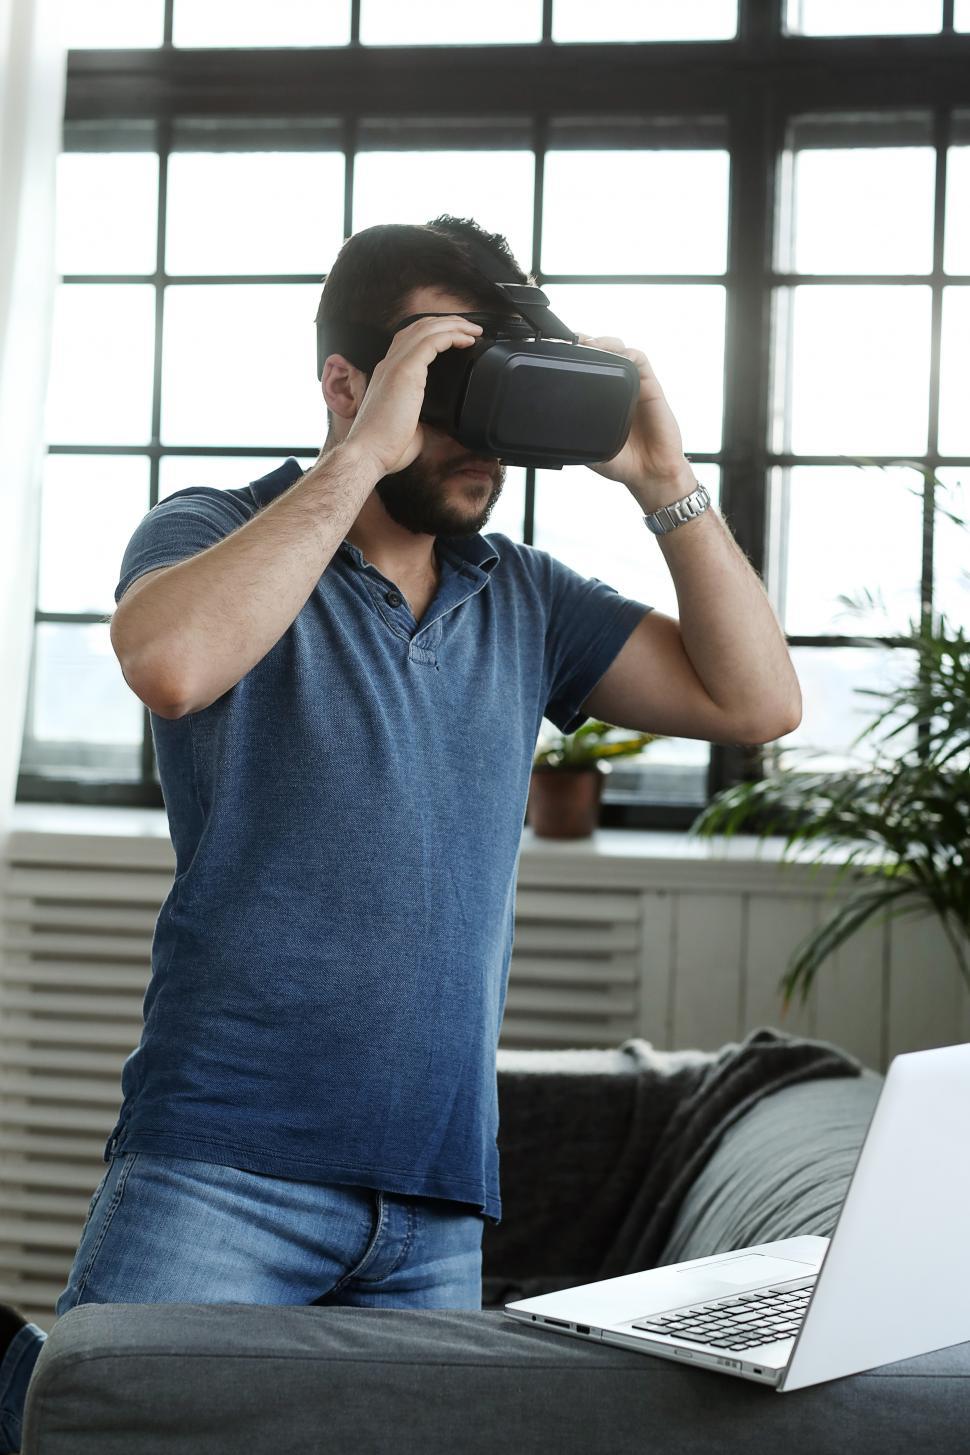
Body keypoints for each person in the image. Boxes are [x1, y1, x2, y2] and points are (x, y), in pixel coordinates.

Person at [0, 213, 799, 1454]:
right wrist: (366, 453)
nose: (478, 440)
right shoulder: (213, 529)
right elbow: (170, 662)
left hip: (435, 1200)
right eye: (449, 389)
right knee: (94, 1436)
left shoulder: (524, 595)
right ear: (347, 382)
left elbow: (756, 702)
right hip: (221, 1164)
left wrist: (663, 482)